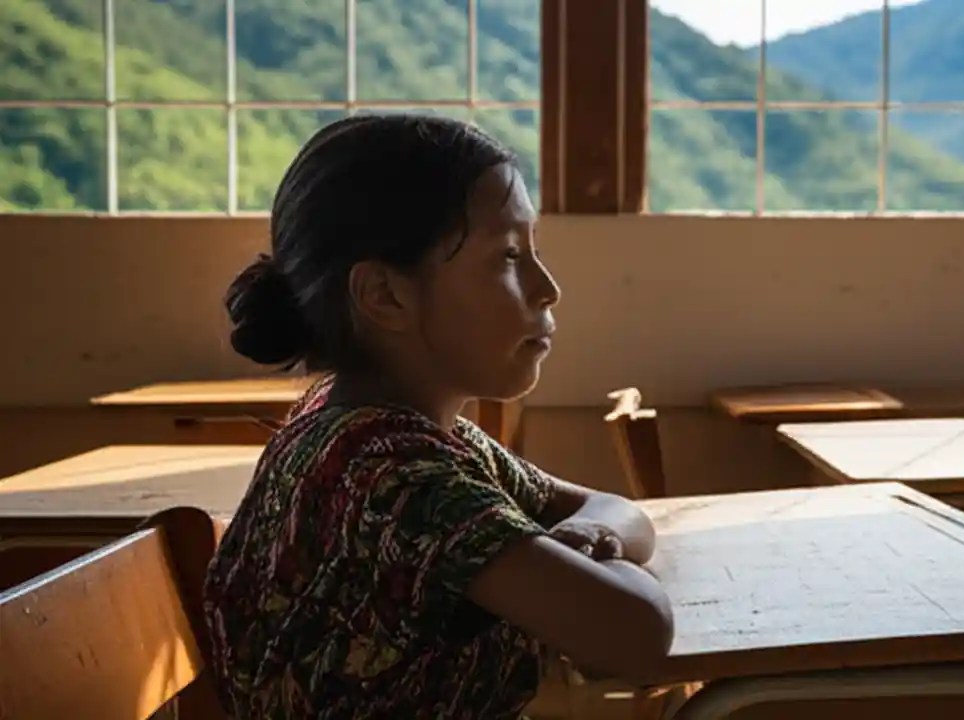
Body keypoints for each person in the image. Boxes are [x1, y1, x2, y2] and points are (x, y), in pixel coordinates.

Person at [204, 114, 674, 720]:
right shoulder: (392, 476)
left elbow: (613, 509)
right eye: (508, 256)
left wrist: (587, 538)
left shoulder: (401, 434)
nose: (548, 287)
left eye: (536, 251)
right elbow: (637, 634)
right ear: (386, 296)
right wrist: (588, 556)